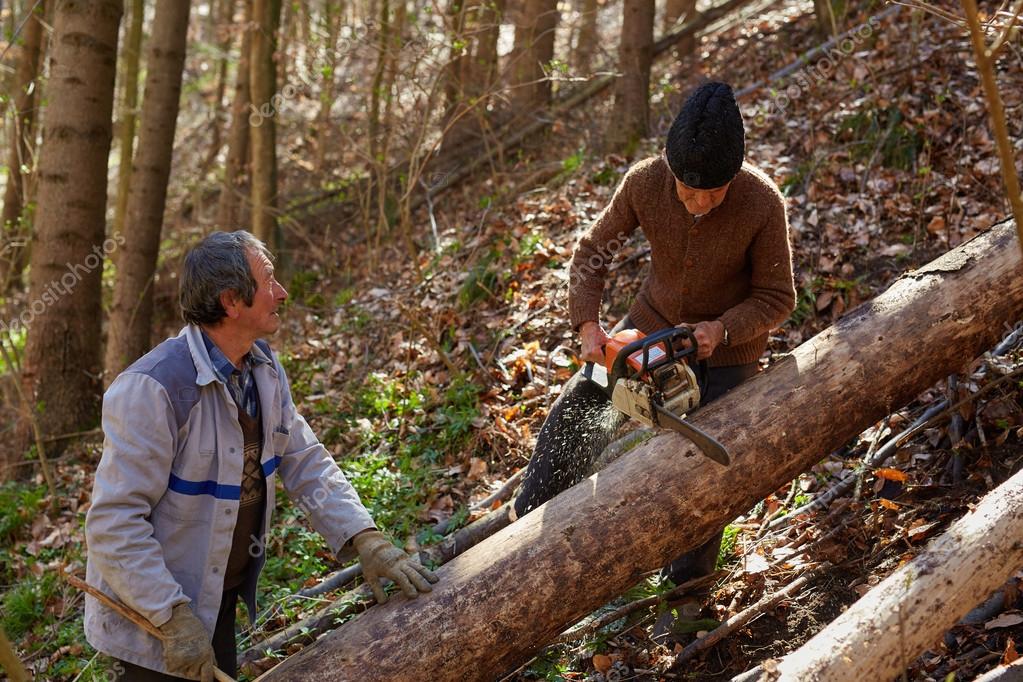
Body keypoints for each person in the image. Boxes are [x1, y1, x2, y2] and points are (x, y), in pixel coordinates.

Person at [84, 231, 438, 681]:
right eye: (268, 280)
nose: (281, 293)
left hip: (213, 601)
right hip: (153, 619)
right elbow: (113, 524)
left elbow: (304, 458)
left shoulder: (262, 367)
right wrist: (169, 615)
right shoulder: (152, 389)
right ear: (232, 301)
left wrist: (364, 538)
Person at [513, 81, 796, 586]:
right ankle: (526, 531)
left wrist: (722, 330)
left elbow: (778, 298)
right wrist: (588, 324)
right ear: (669, 168)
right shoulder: (646, 183)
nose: (700, 202)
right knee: (580, 404)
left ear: (736, 174)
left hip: (726, 351)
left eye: (714, 191)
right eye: (689, 191)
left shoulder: (761, 203)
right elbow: (591, 255)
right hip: (651, 323)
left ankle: (686, 591)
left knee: (705, 463)